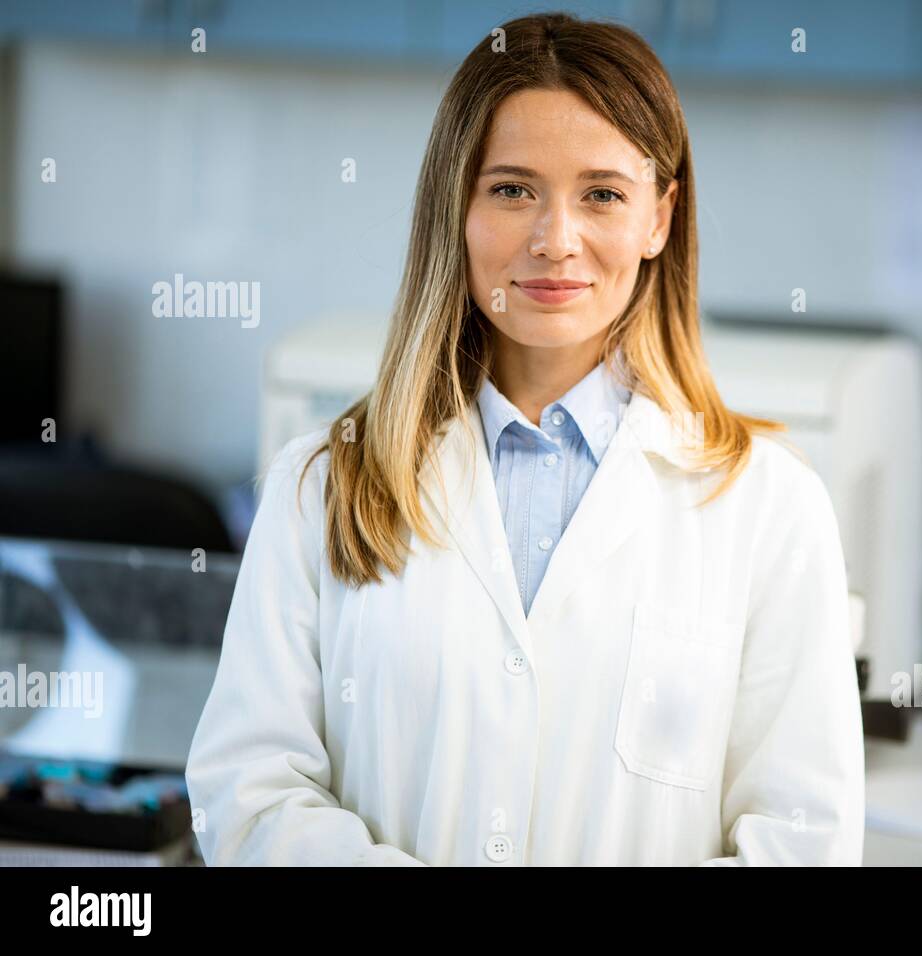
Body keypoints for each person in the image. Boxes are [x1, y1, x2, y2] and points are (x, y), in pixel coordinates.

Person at [184, 12, 865, 866]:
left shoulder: (770, 505)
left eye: (602, 194)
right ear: (456, 206)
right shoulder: (319, 488)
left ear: (660, 216)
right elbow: (248, 794)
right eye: (512, 189)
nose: (555, 241)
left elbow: (800, 841)